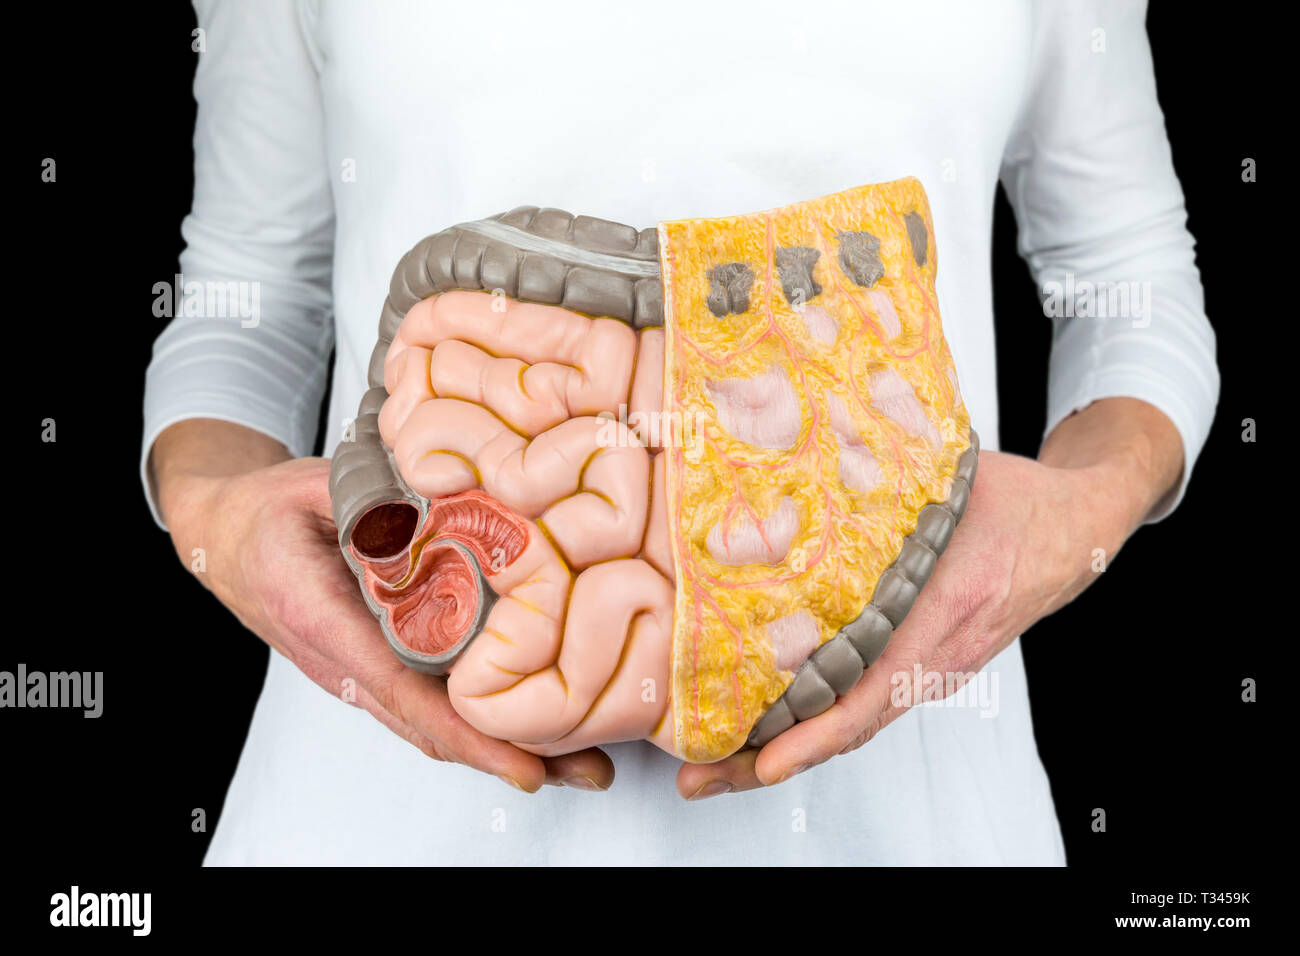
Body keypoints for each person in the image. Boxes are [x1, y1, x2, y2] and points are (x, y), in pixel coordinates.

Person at [143, 0, 1218, 865]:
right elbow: (249, 291)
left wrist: (1078, 508)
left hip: (915, 824)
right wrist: (211, 513)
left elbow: (1129, 276)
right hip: (370, 820)